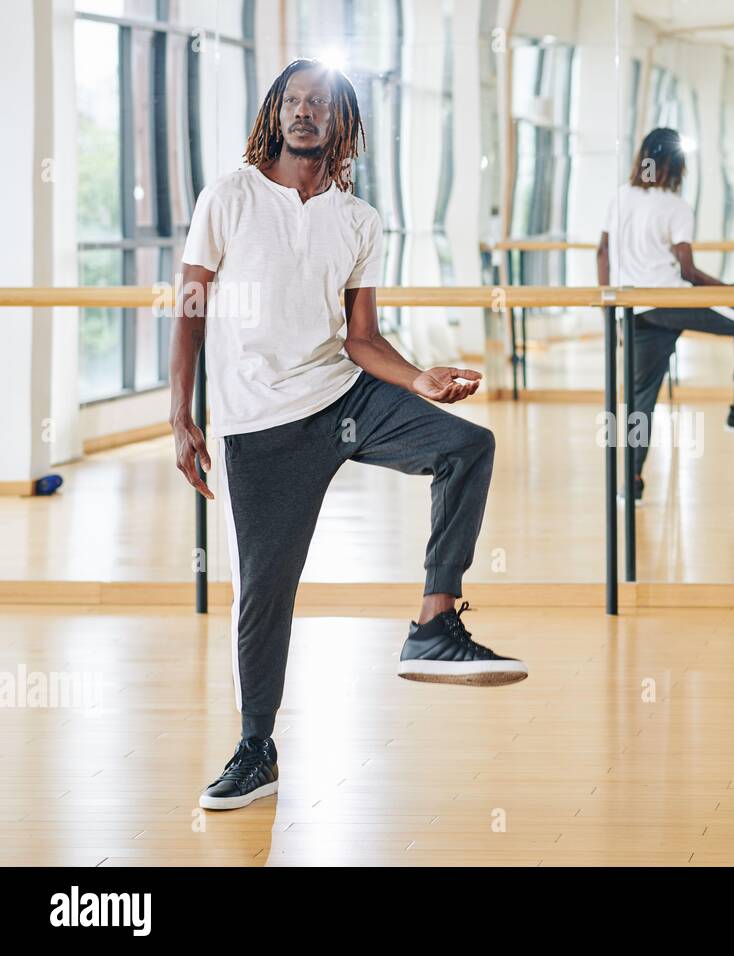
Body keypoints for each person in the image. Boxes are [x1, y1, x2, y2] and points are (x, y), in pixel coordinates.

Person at [170, 60, 527, 812]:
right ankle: (255, 749)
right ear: (276, 111)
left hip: (343, 395)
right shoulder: (229, 197)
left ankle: (434, 623)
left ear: (341, 122)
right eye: (293, 101)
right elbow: (192, 307)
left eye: (319, 104)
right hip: (258, 424)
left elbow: (361, 336)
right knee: (264, 594)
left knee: (467, 447)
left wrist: (419, 379)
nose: (304, 113)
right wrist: (181, 414)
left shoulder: (358, 219)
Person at [597, 127, 734, 505]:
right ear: (678, 164)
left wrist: (611, 312)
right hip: (670, 301)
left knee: (640, 399)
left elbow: (602, 253)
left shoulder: (620, 197)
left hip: (633, 308)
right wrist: (732, 291)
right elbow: (687, 272)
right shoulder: (675, 206)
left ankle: (630, 481)